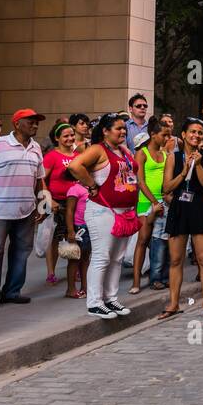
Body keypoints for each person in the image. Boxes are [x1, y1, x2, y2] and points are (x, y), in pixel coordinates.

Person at [66, 114, 139, 321]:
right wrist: (91, 185)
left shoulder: (123, 150)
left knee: (117, 258)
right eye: (118, 128)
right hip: (103, 210)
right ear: (105, 131)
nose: (123, 132)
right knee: (102, 255)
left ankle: (111, 297)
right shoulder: (98, 149)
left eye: (124, 128)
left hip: (124, 212)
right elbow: (75, 166)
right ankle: (95, 302)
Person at [0, 109, 47, 309]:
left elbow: (39, 179)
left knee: (22, 251)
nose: (35, 125)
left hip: (26, 209)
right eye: (31, 122)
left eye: (36, 122)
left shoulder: (36, 148)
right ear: (17, 124)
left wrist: (41, 204)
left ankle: (12, 291)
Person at [159, 118, 203, 322]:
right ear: (183, 135)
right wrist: (184, 171)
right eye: (192, 131)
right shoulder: (173, 158)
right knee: (175, 260)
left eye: (200, 132)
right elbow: (166, 188)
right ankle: (174, 303)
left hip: (200, 207)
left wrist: (198, 165)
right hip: (179, 208)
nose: (197, 135)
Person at [131, 118, 171, 294]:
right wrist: (154, 202)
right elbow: (140, 181)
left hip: (163, 202)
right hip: (147, 202)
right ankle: (136, 281)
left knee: (160, 242)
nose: (167, 138)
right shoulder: (142, 153)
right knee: (143, 240)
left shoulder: (165, 155)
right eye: (164, 135)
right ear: (153, 134)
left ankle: (158, 276)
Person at [41, 121, 80, 288]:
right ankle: (51, 272)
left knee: (75, 236)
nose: (70, 138)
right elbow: (41, 178)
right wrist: (49, 199)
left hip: (77, 202)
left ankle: (74, 269)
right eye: (66, 136)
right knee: (55, 238)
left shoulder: (79, 155)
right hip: (57, 203)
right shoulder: (51, 156)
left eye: (72, 135)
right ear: (57, 138)